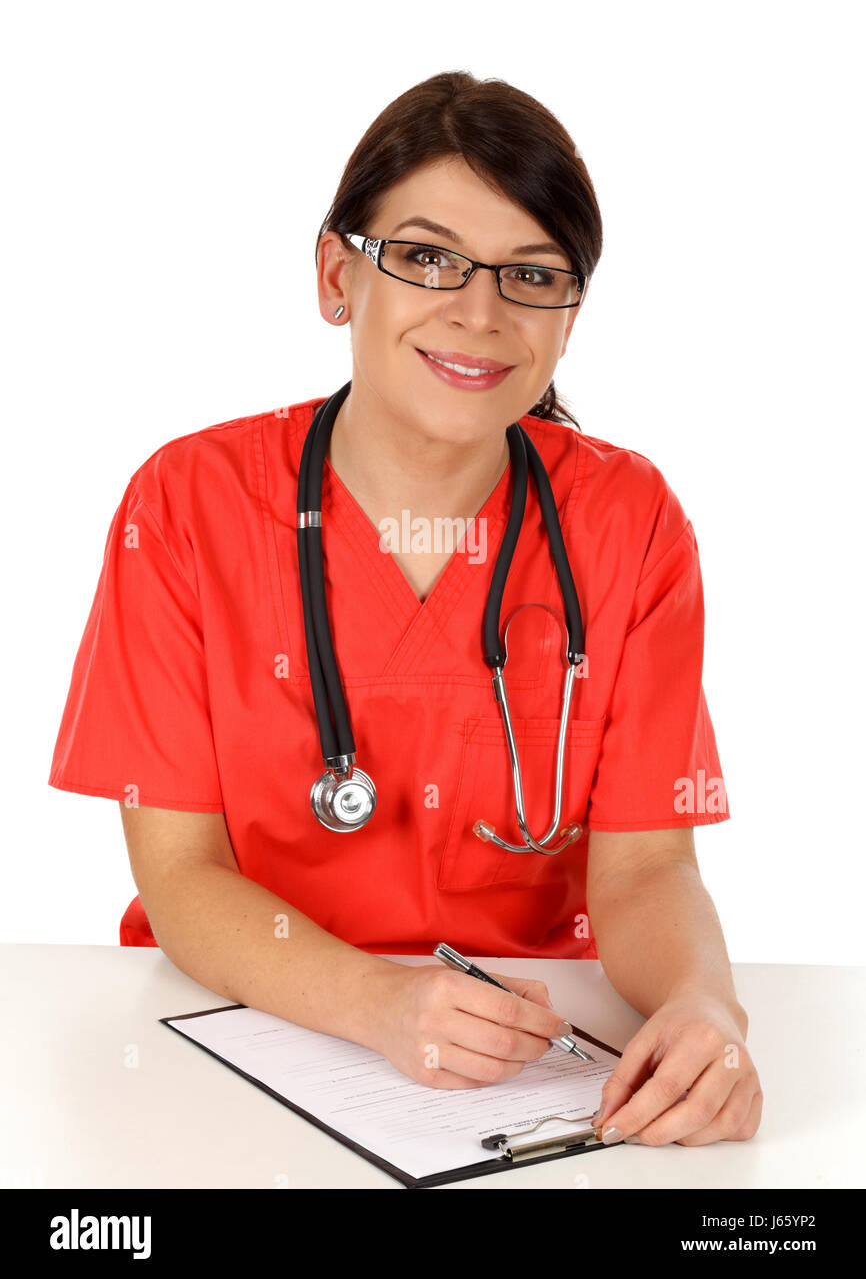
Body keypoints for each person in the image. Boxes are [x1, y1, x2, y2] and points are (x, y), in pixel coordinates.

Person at [47, 70, 761, 1146]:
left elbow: (646, 869)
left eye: (531, 275)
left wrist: (704, 1006)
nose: (479, 312)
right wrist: (374, 1004)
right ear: (338, 274)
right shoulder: (185, 505)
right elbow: (181, 872)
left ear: (568, 319)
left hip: (531, 1065)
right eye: (426, 257)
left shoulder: (627, 520)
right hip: (229, 1038)